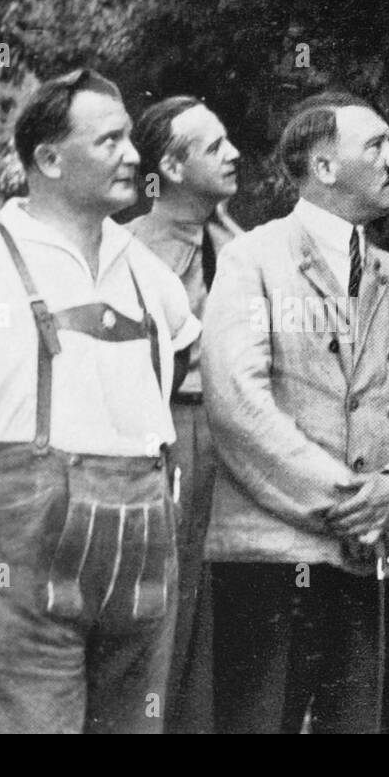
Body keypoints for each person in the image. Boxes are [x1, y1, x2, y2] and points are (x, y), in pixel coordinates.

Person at [0, 69, 200, 734]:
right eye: (110, 140)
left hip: (140, 551)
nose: (132, 155)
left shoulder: (143, 268)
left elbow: (180, 358)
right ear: (49, 160)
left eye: (129, 139)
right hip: (18, 555)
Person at [201, 92, 389, 734]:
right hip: (277, 550)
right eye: (376, 146)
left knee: (364, 724)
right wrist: (349, 501)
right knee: (259, 723)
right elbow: (237, 404)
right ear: (324, 167)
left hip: (384, 551)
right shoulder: (252, 258)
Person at [126, 96, 243, 733]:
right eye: (213, 147)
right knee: (166, 612)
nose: (234, 154)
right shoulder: (129, 250)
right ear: (170, 166)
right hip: (174, 431)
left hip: (239, 440)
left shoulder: (242, 245)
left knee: (228, 619)